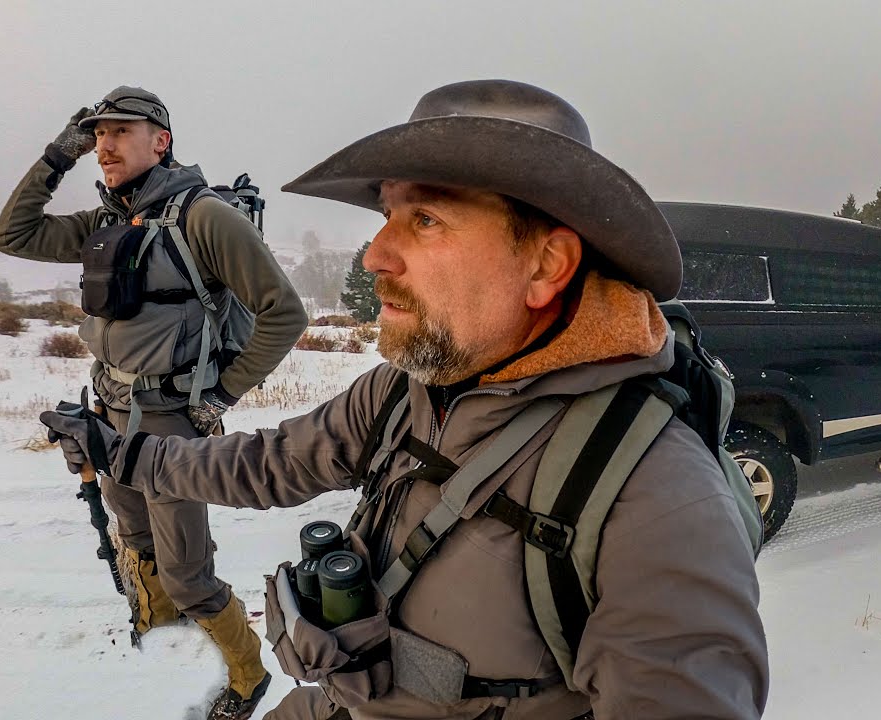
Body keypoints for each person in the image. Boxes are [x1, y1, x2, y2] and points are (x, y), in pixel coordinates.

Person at [42, 79, 768, 720]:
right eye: (387, 215)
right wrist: (125, 452)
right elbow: (269, 463)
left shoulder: (659, 502)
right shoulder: (414, 388)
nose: (375, 255)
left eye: (425, 220)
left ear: (547, 264)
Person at [0, 86, 308, 720]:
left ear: (160, 141)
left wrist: (221, 392)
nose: (104, 145)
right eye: (97, 135)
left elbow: (286, 313)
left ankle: (248, 677)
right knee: (134, 536)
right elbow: (12, 234)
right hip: (108, 413)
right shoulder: (105, 222)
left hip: (171, 424)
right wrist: (59, 155)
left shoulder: (205, 217)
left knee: (188, 569)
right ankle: (163, 642)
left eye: (120, 132)